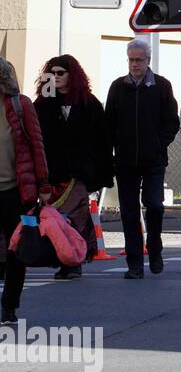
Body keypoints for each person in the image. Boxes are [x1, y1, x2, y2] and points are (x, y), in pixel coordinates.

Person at [104, 40, 180, 279]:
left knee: (155, 205)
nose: (135, 64)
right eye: (131, 60)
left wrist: (159, 143)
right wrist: (112, 150)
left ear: (148, 61)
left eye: (139, 60)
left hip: (154, 160)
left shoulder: (162, 86)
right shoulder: (118, 87)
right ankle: (134, 263)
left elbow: (172, 121)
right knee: (128, 211)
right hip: (125, 160)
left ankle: (155, 248)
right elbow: (109, 122)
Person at [32, 55, 113, 279]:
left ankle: (74, 261)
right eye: (52, 73)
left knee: (76, 215)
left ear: (71, 75)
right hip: (51, 171)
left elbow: (102, 140)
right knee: (54, 217)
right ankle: (61, 259)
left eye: (61, 73)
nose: (55, 77)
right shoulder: (43, 103)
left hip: (79, 172)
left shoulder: (88, 103)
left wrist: (101, 172)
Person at [0, 56, 52, 323]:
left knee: (16, 250)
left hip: (16, 192)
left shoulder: (21, 106)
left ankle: (9, 305)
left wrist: (43, 185)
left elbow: (37, 147)